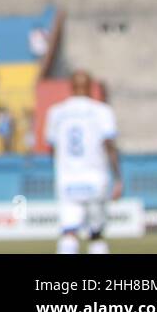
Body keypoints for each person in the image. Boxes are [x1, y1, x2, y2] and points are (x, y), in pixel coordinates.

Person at [45, 70, 122, 254]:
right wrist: (118, 177)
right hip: (96, 179)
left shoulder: (56, 112)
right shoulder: (102, 111)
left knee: (68, 232)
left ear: (71, 87)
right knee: (96, 234)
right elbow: (109, 145)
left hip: (67, 179)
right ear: (90, 87)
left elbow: (51, 148)